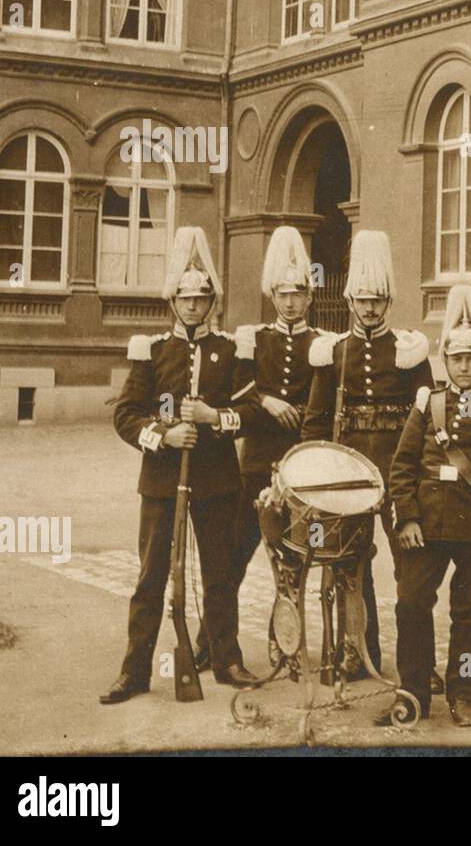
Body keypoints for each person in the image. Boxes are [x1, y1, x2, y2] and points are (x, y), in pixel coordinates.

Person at [101, 227, 260, 703]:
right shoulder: (152, 352)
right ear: (172, 301)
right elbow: (126, 414)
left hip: (215, 480)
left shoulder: (231, 351)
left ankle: (227, 659)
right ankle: (135, 671)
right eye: (186, 299)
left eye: (202, 298)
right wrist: (165, 433)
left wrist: (215, 417)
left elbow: (250, 411)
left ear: (212, 301)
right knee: (152, 576)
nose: (194, 306)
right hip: (162, 479)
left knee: (219, 573)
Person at [388, 285, 471, 726]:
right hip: (425, 527)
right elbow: (402, 465)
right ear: (444, 360)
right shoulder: (429, 403)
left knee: (467, 617)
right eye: (456, 358)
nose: (464, 367)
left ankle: (462, 695)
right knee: (411, 605)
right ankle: (412, 691)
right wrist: (406, 516)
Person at [302, 230, 433, 680]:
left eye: (378, 299)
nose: (370, 308)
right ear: (350, 299)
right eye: (362, 299)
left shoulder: (410, 352)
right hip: (349, 474)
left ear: (389, 299)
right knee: (350, 570)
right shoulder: (333, 353)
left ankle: (419, 663)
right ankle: (359, 652)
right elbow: (315, 423)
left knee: (412, 572)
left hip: (401, 477)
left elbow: (428, 421)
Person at [193, 225, 321, 673]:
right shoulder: (254, 339)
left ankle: (284, 646)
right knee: (233, 557)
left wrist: (300, 409)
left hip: (300, 471)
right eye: (283, 293)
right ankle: (211, 642)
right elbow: (237, 388)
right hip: (256, 466)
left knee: (294, 561)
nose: (290, 302)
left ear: (309, 296)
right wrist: (266, 399)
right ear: (272, 294)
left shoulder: (319, 344)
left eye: (298, 294)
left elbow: (325, 400)